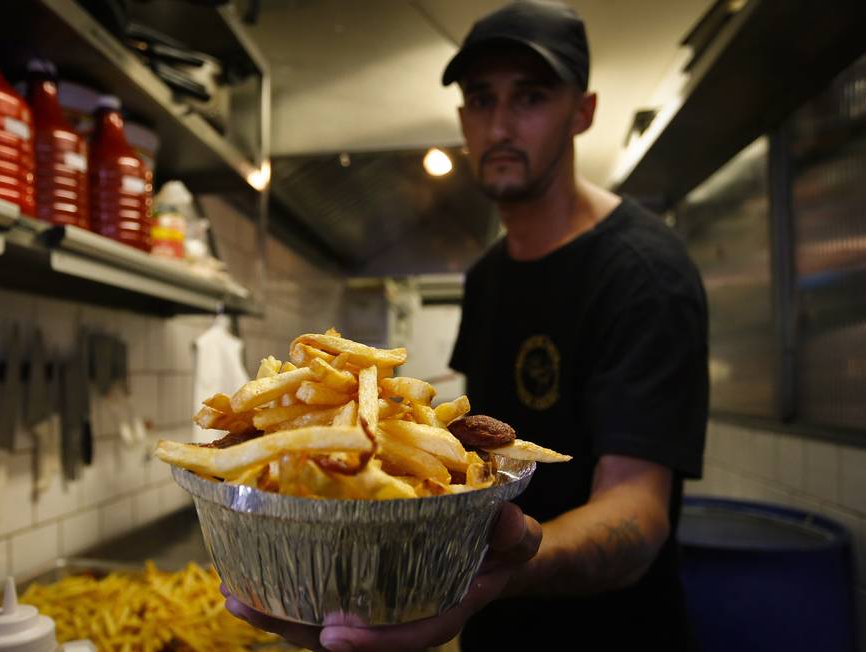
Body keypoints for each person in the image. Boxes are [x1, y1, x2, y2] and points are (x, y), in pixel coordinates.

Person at [222, 1, 709, 650]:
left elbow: (639, 513)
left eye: (530, 97)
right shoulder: (487, 277)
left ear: (582, 113)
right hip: (491, 628)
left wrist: (499, 567)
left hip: (611, 633)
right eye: (481, 100)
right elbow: (474, 443)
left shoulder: (644, 272)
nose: (501, 125)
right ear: (462, 120)